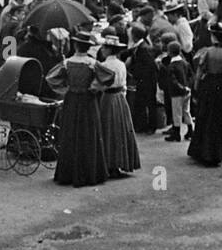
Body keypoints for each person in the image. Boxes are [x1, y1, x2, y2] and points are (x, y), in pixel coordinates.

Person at [46, 29, 111, 187]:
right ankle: (90, 173)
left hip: (72, 100)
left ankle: (67, 173)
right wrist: (94, 87)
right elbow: (109, 76)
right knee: (89, 134)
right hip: (88, 101)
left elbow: (51, 78)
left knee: (70, 133)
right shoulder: (93, 63)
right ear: (88, 47)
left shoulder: (67, 62)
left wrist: (65, 88)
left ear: (75, 45)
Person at [187, 22, 222, 167]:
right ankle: (216, 153)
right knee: (219, 120)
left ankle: (200, 151)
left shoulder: (206, 52)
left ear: (213, 37)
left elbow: (199, 74)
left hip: (208, 86)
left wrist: (196, 91)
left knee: (204, 118)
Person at [96, 35, 140, 177]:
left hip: (108, 98)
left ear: (110, 49)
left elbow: (100, 85)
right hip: (120, 98)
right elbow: (124, 85)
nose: (102, 49)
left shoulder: (104, 66)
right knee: (121, 129)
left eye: (104, 47)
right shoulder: (121, 64)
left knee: (108, 129)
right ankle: (119, 162)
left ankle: (110, 163)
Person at [125, 25, 159, 136]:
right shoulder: (140, 47)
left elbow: (147, 66)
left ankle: (151, 126)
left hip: (146, 80)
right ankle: (143, 125)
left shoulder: (144, 49)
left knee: (148, 102)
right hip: (144, 79)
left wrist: (135, 74)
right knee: (143, 102)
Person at [160, 40, 192, 142]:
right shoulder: (185, 63)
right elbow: (191, 76)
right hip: (187, 91)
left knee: (177, 114)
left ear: (169, 52)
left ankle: (176, 134)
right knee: (186, 111)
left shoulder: (171, 66)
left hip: (176, 93)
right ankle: (190, 130)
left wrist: (181, 88)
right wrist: (187, 87)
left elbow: (173, 81)